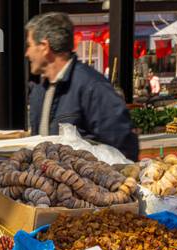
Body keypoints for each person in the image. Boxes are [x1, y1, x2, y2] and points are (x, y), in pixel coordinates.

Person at [24, 12, 139, 160]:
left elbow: (125, 148)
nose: (27, 53)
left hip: (87, 181)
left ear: (45, 47)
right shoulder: (40, 90)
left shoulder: (92, 86)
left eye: (30, 45)